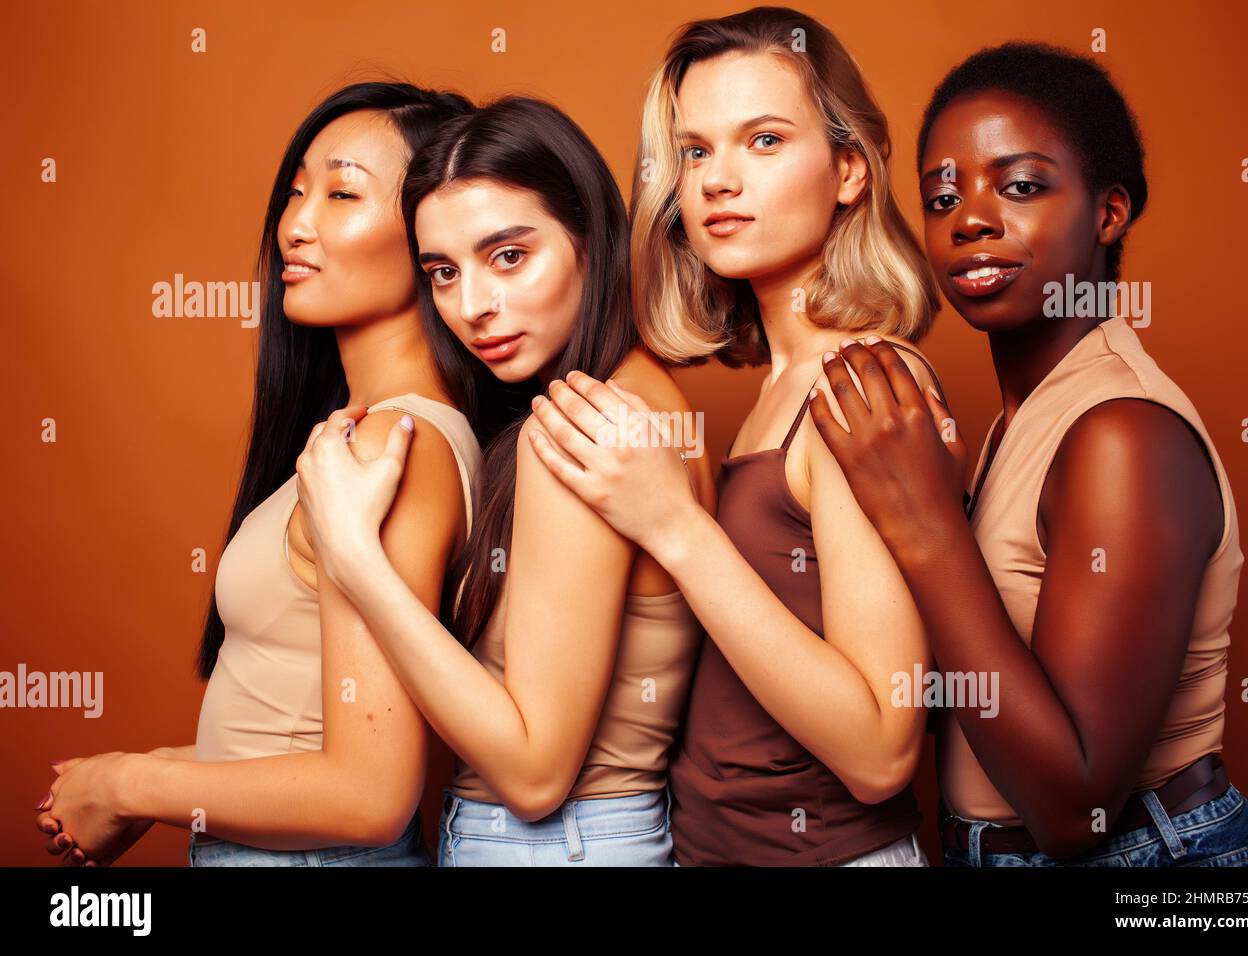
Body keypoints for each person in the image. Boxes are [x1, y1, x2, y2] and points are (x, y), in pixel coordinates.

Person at [808, 41, 1248, 866]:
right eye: (942, 195)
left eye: (1020, 186)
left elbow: (1073, 808)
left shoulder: (1124, 432)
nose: (971, 218)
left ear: (1109, 212)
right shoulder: (1027, 420)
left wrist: (924, 522)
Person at [526, 6, 946, 866]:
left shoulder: (860, 385)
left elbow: (880, 750)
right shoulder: (781, 386)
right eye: (695, 150)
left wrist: (675, 528)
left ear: (849, 172)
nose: (718, 180)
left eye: (763, 141)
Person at [35, 83, 480, 867]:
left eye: (342, 193)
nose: (294, 225)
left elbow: (368, 796)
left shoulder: (389, 446)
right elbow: (301, 720)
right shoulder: (360, 429)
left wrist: (128, 784)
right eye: (298, 190)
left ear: (431, 233)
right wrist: (172, 770)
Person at [292, 96, 715, 866]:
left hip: (550, 845)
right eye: (443, 272)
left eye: (510, 256)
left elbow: (533, 773)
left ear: (589, 234)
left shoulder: (580, 430)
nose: (473, 306)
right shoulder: (643, 400)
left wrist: (355, 558)